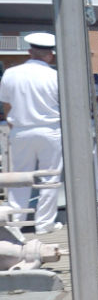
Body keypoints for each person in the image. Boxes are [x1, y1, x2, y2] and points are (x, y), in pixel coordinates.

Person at [0, 32, 62, 233]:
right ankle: (45, 225)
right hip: (50, 131)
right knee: (50, 179)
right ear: (50, 55)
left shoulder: (10, 73)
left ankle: (16, 224)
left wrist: (13, 125)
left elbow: (6, 105)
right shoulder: (55, 76)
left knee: (19, 178)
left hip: (20, 130)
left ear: (29, 52)